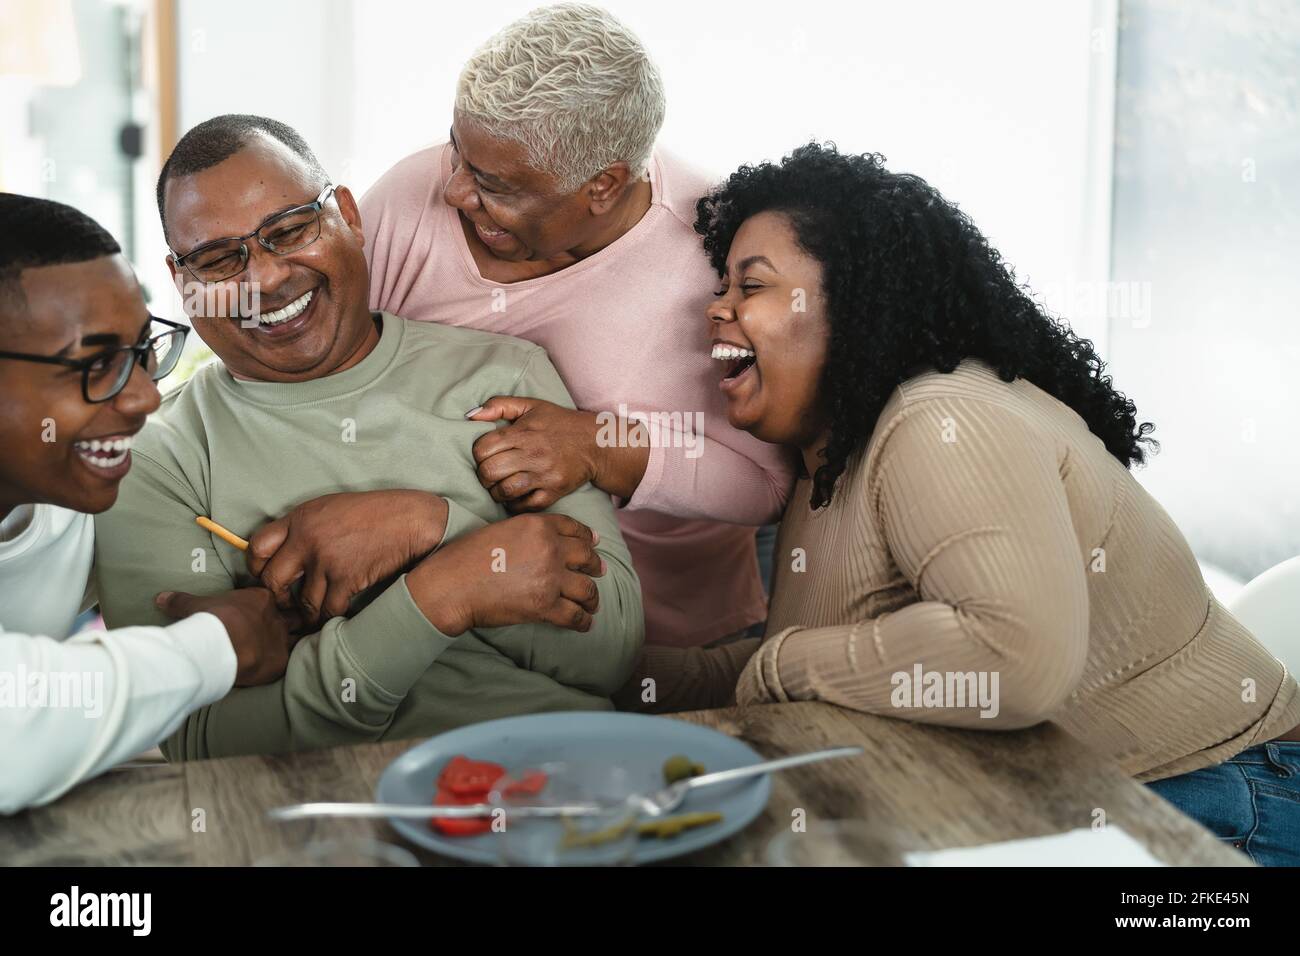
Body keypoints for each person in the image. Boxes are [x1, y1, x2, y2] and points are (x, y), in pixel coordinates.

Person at [682, 143, 1300, 864]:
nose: (716, 307)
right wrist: (614, 675)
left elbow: (1014, 656)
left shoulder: (939, 421)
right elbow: (828, 666)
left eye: (750, 286)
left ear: (854, 301)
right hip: (1108, 797)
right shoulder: (834, 456)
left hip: (1229, 800)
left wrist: (780, 665)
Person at [93, 115, 643, 761]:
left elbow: (609, 651)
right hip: (315, 820)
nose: (265, 280)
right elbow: (203, 740)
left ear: (348, 217)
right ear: (184, 282)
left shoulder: (505, 374)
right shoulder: (156, 459)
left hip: (561, 791)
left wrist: (429, 525)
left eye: (291, 230)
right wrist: (441, 594)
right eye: (217, 259)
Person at [361, 3, 795, 666]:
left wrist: (600, 447)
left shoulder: (721, 252)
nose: (452, 191)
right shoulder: (408, 197)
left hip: (667, 641)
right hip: (450, 634)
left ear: (603, 186)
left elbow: (766, 484)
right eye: (456, 150)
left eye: (493, 184)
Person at [0, 193, 295, 812]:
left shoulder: (73, 486)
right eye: (96, 363)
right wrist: (220, 645)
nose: (142, 399)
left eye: (142, 354)